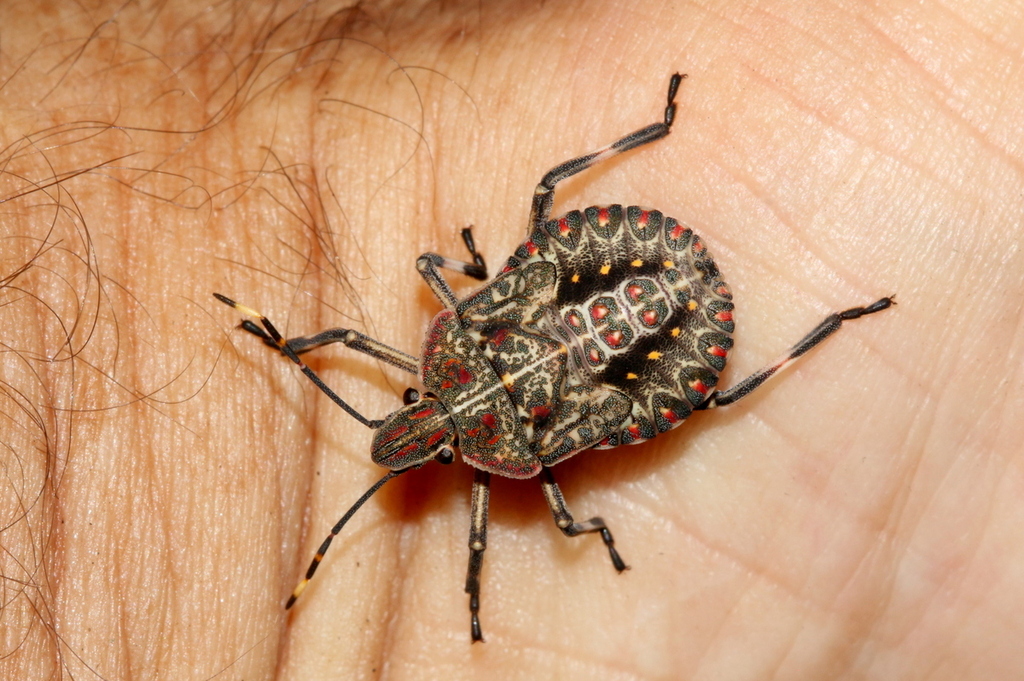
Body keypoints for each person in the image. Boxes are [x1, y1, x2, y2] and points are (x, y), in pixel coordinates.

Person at [2, 1, 1021, 679]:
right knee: (659, 333)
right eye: (435, 436)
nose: (426, 421)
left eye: (420, 406)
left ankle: (807, 287)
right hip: (629, 283)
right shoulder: (469, 371)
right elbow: (429, 284)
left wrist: (527, 558)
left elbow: (418, 342)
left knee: (703, 387)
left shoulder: (507, 452)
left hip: (637, 311)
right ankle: (832, 317)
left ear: (421, 392)